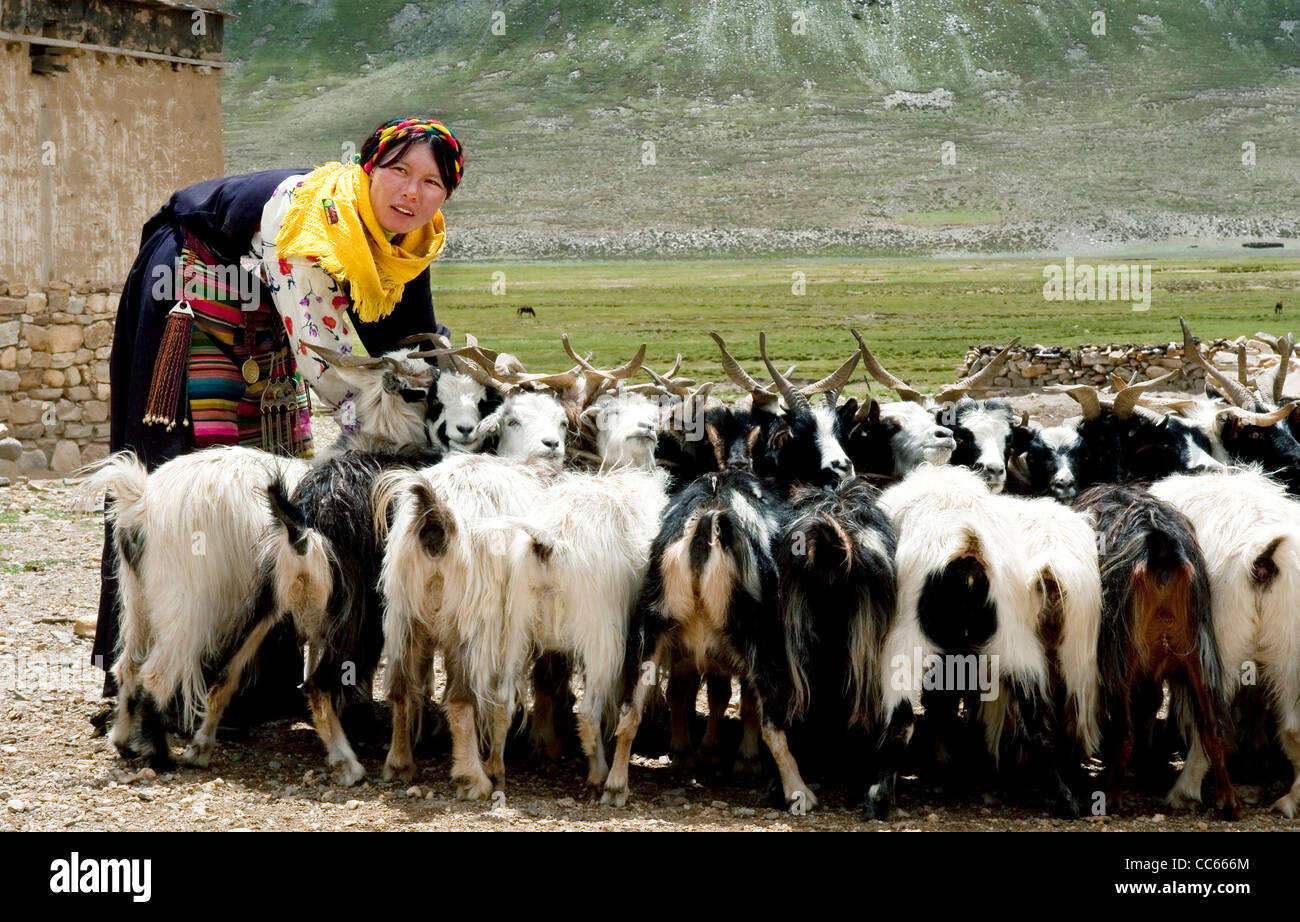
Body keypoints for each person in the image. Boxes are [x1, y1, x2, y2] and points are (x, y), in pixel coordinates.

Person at [92, 117, 465, 721]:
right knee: (191, 480)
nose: (411, 193)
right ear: (369, 168)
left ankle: (251, 681)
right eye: (398, 171)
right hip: (189, 284)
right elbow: (329, 365)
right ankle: (158, 682)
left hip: (263, 303)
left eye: (431, 182)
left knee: (271, 472)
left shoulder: (412, 241)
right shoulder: (311, 225)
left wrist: (455, 404)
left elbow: (414, 343)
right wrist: (391, 451)